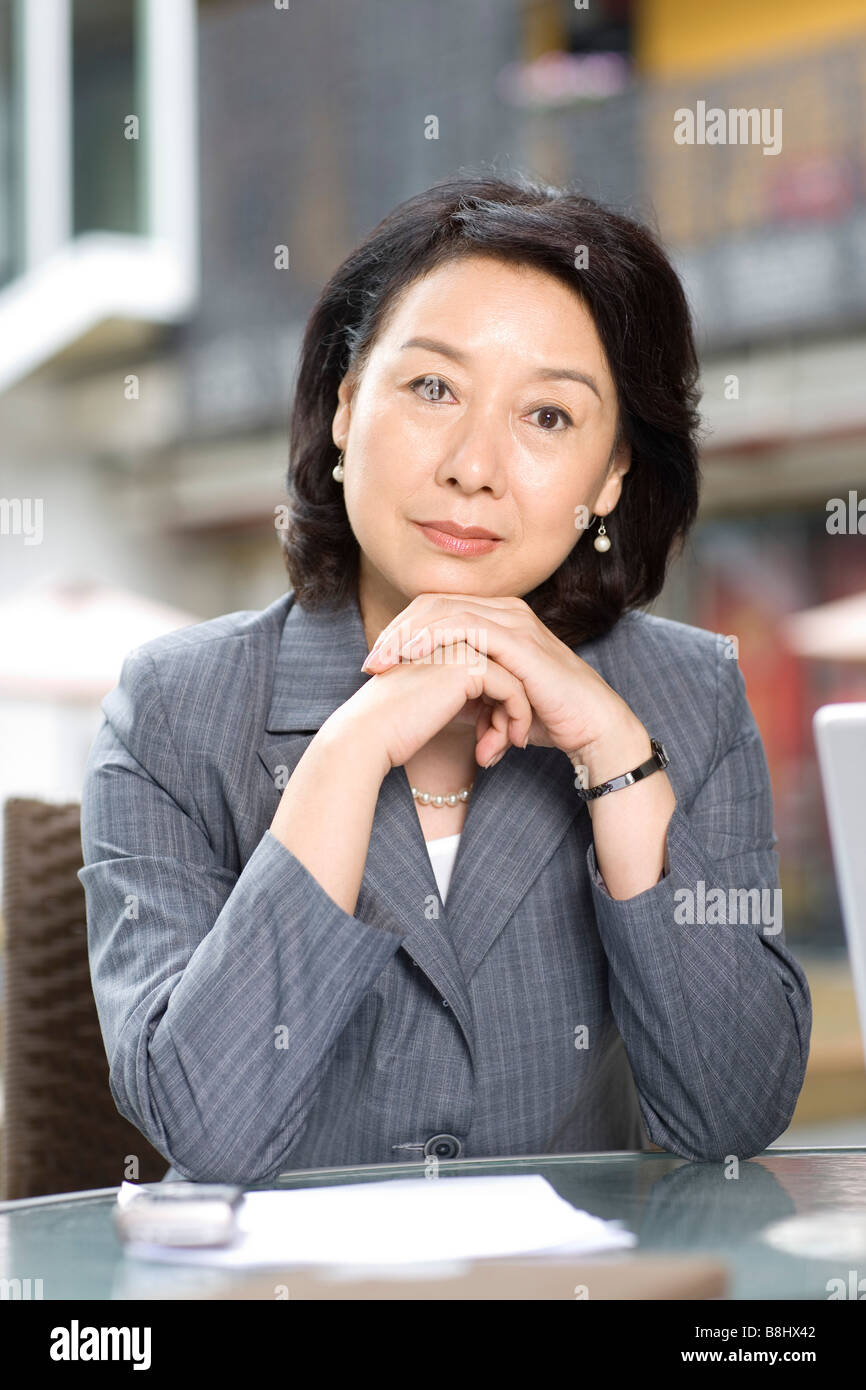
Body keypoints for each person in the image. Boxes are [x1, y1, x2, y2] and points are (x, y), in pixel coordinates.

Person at [79, 171, 811, 1184]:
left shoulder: (685, 695)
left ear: (608, 479)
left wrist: (614, 758)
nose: (474, 464)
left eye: (547, 417)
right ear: (344, 409)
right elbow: (211, 1131)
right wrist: (346, 751)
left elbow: (727, 1114)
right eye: (431, 388)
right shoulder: (173, 708)